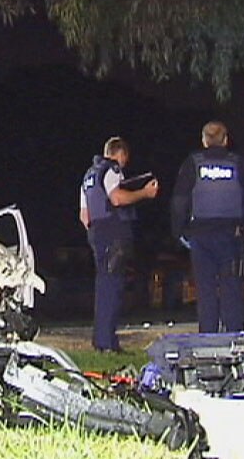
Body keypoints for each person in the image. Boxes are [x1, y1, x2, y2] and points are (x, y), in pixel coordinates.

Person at [170, 121, 244, 333]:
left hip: (201, 236)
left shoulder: (192, 164)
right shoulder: (238, 164)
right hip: (231, 237)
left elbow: (179, 201)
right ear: (225, 140)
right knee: (232, 288)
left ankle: (208, 336)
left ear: (204, 140)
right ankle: (234, 337)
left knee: (205, 290)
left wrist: (179, 232)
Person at [80, 136, 159, 352]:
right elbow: (116, 198)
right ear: (120, 154)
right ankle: (106, 343)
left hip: (97, 232)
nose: (124, 163)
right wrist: (144, 193)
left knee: (104, 285)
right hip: (113, 232)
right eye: (125, 158)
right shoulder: (112, 170)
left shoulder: (89, 175)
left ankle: (104, 340)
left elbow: (84, 215)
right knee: (112, 287)